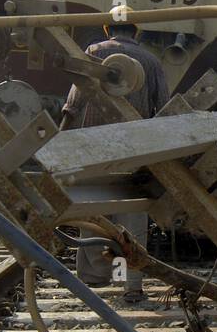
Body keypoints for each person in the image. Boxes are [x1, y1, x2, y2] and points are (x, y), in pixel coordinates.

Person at [61, 19, 167, 302]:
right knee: (133, 211)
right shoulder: (151, 61)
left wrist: (61, 138)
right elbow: (164, 107)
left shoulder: (94, 51)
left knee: (93, 210)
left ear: (108, 30)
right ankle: (132, 284)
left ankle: (94, 278)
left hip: (94, 144)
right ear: (137, 31)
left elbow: (74, 101)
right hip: (135, 145)